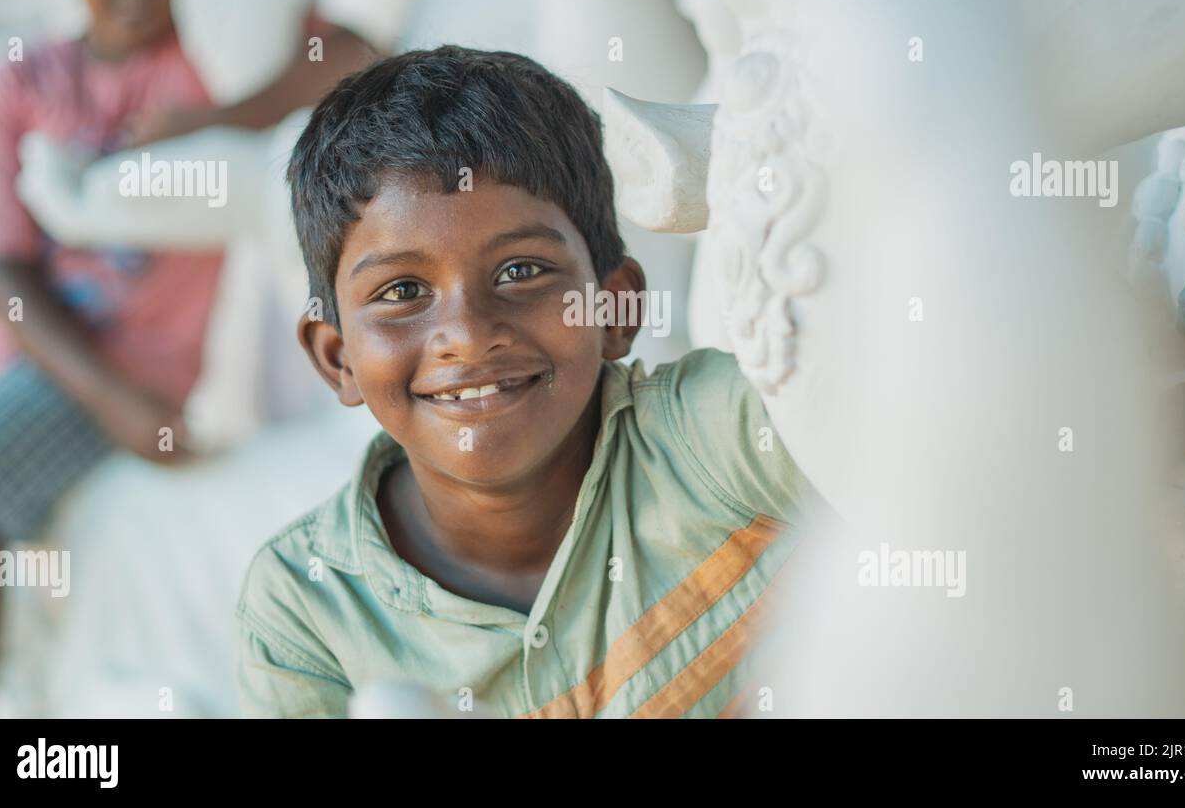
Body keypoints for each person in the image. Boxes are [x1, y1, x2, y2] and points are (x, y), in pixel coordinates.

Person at [236, 46, 825, 718]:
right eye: (402, 290)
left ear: (616, 309)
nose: (468, 331)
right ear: (338, 358)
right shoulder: (305, 607)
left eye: (521, 271)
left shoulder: (716, 438)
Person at [0, 0, 221, 717]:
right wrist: (111, 406)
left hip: (134, 367)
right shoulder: (20, 82)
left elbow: (351, 56)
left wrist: (215, 120)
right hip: (40, 365)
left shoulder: (210, 62)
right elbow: (4, 271)